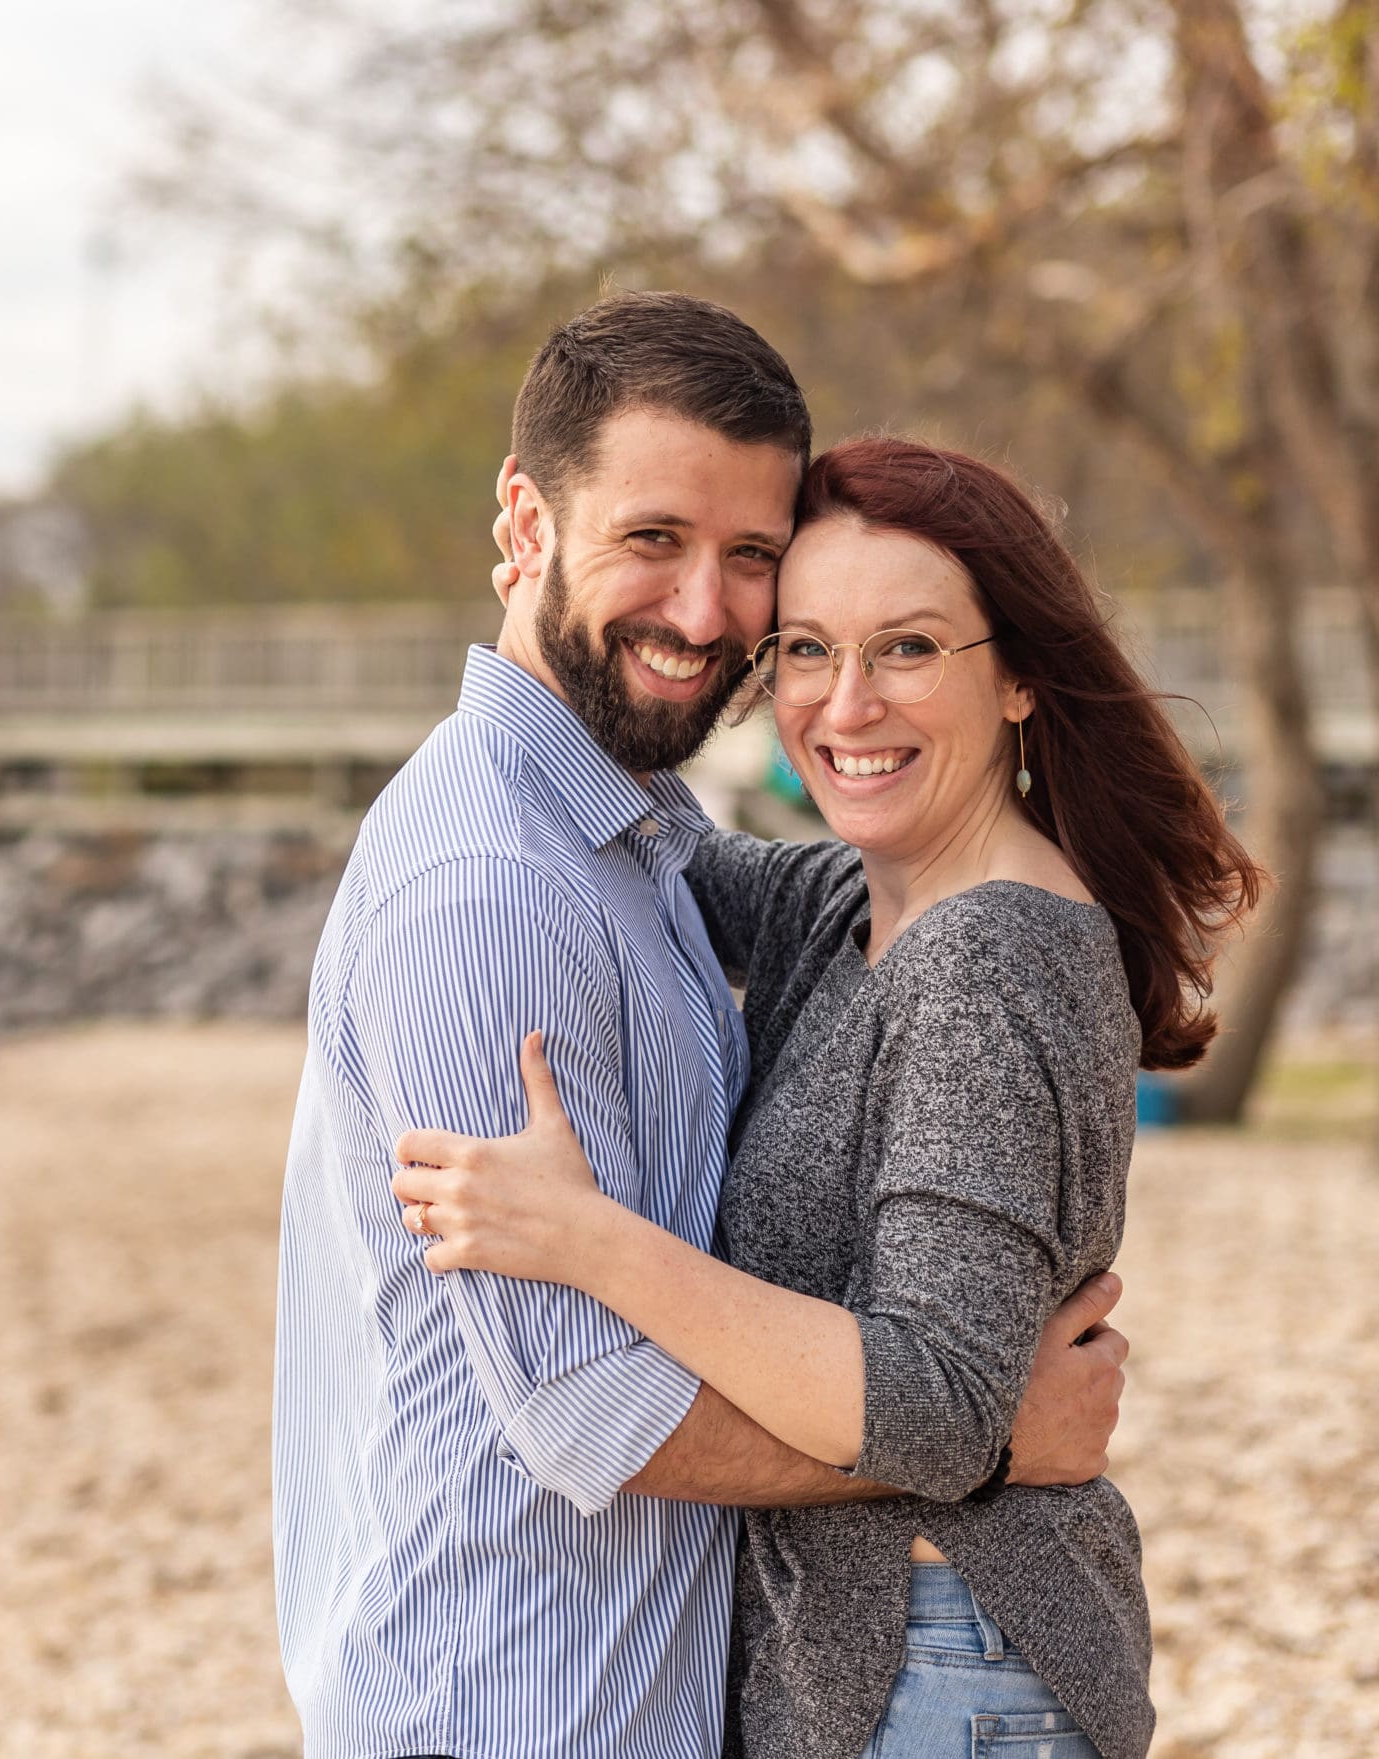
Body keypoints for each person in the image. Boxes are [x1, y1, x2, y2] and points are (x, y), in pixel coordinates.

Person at [270, 293, 1131, 1759]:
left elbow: (915, 1378)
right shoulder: (509, 877)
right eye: (654, 540)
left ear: (1019, 670)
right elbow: (593, 1411)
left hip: (855, 1683)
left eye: (749, 565)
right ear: (525, 522)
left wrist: (960, 1428)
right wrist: (991, 1445)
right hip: (513, 1706)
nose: (708, 617)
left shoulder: (652, 846)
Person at [390, 435, 1263, 1758]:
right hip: (891, 1671)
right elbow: (643, 847)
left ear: (1021, 676)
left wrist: (588, 1242)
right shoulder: (854, 899)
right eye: (804, 649)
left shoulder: (991, 957)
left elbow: (932, 1402)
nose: (844, 706)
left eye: (907, 648)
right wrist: (550, 597)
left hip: (949, 1672)